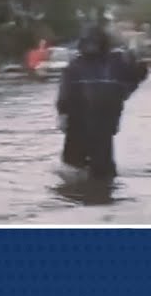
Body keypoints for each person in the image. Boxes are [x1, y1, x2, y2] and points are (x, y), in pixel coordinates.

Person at [56, 25, 148, 181]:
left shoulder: (117, 62)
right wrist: (62, 114)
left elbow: (137, 76)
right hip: (77, 124)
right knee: (71, 169)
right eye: (88, 43)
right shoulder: (75, 66)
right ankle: (77, 196)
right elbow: (65, 92)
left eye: (95, 42)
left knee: (103, 172)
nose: (91, 46)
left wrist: (125, 89)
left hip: (104, 125)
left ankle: (100, 193)